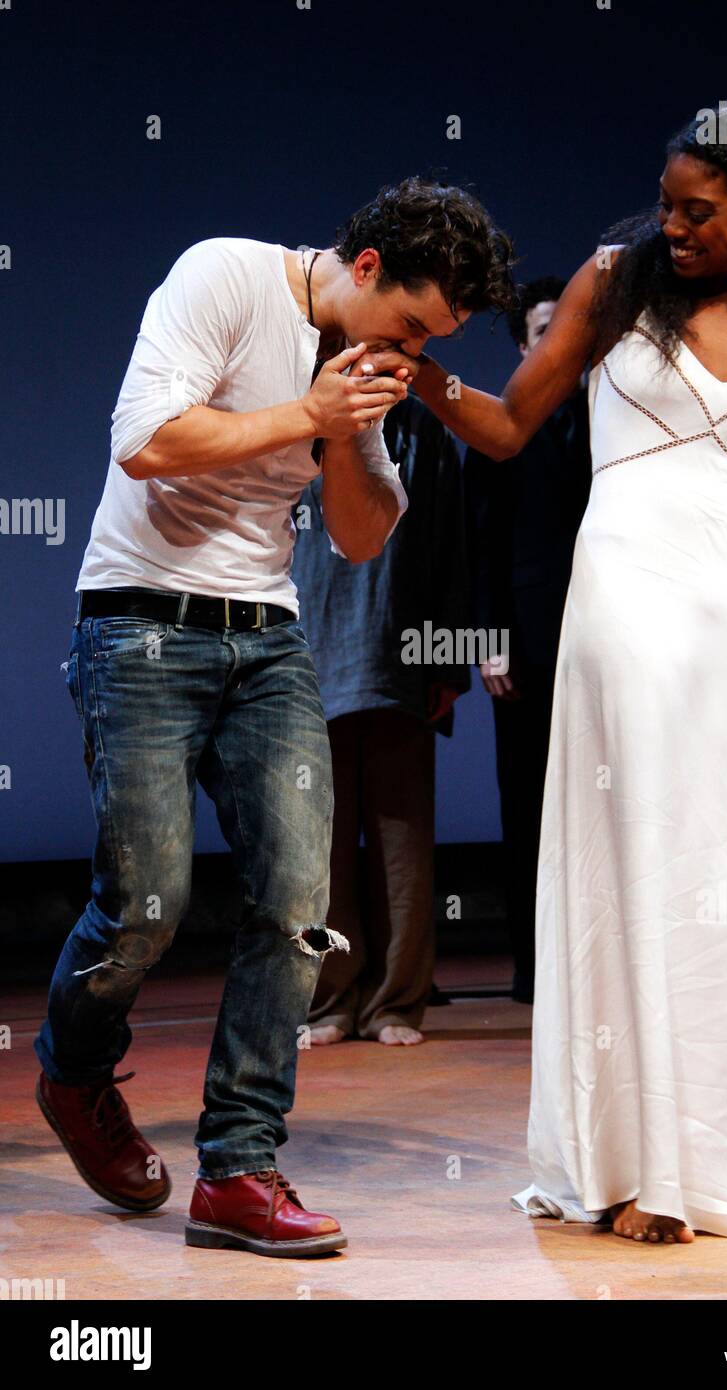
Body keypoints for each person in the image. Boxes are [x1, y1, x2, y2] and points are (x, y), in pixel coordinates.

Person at [34, 177, 514, 1258]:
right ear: (371, 268)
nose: (409, 353)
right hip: (137, 623)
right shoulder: (226, 274)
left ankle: (239, 1170)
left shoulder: (358, 373)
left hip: (267, 635)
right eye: (408, 328)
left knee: (298, 900)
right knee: (146, 905)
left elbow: (358, 536)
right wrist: (307, 411)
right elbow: (145, 438)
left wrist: (348, 432)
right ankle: (71, 1071)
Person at [409, 106, 727, 1243]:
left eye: (699, 211)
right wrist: (419, 377)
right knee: (631, 871)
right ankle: (626, 1161)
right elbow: (509, 425)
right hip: (623, 608)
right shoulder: (617, 287)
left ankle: (708, 1163)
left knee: (726, 887)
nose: (674, 226)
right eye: (665, 202)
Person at [291, 392, 470, 1046]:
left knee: (401, 845)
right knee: (318, 849)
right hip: (307, 646)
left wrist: (451, 665)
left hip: (401, 649)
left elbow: (452, 547)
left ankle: (395, 1001)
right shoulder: (297, 414)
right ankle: (328, 999)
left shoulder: (422, 428)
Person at [463, 278, 591, 1003]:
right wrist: (490, 640)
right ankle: (535, 969)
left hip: (604, 637)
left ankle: (594, 964)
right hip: (526, 643)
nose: (558, 344)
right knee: (529, 806)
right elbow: (481, 545)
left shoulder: (613, 414)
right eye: (544, 330)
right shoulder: (495, 426)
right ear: (521, 344)